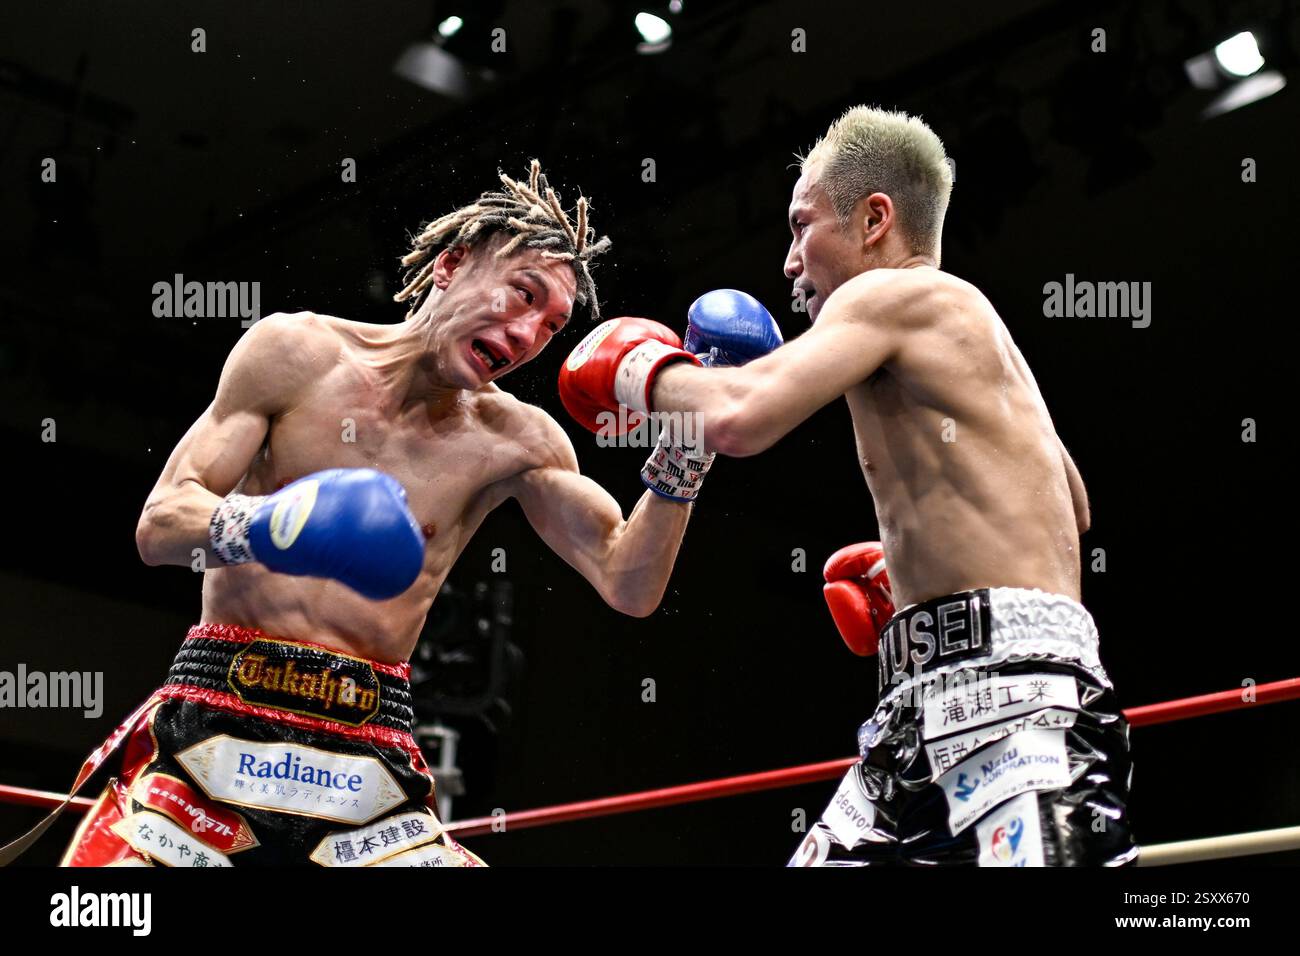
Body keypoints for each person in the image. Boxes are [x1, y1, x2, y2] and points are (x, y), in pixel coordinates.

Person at [3, 161, 740, 868]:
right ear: (452, 263)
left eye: (550, 327)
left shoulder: (517, 440)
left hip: (367, 760)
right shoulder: (295, 351)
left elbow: (628, 582)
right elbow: (161, 524)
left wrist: (692, 443)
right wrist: (273, 528)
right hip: (215, 723)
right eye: (522, 294)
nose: (525, 337)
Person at [558, 106, 1137, 866]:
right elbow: (1074, 501)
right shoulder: (975, 329)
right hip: (917, 716)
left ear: (874, 219)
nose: (791, 260)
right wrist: (921, 569)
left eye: (803, 226)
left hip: (1019, 705)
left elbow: (740, 416)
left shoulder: (894, 294)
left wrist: (639, 369)